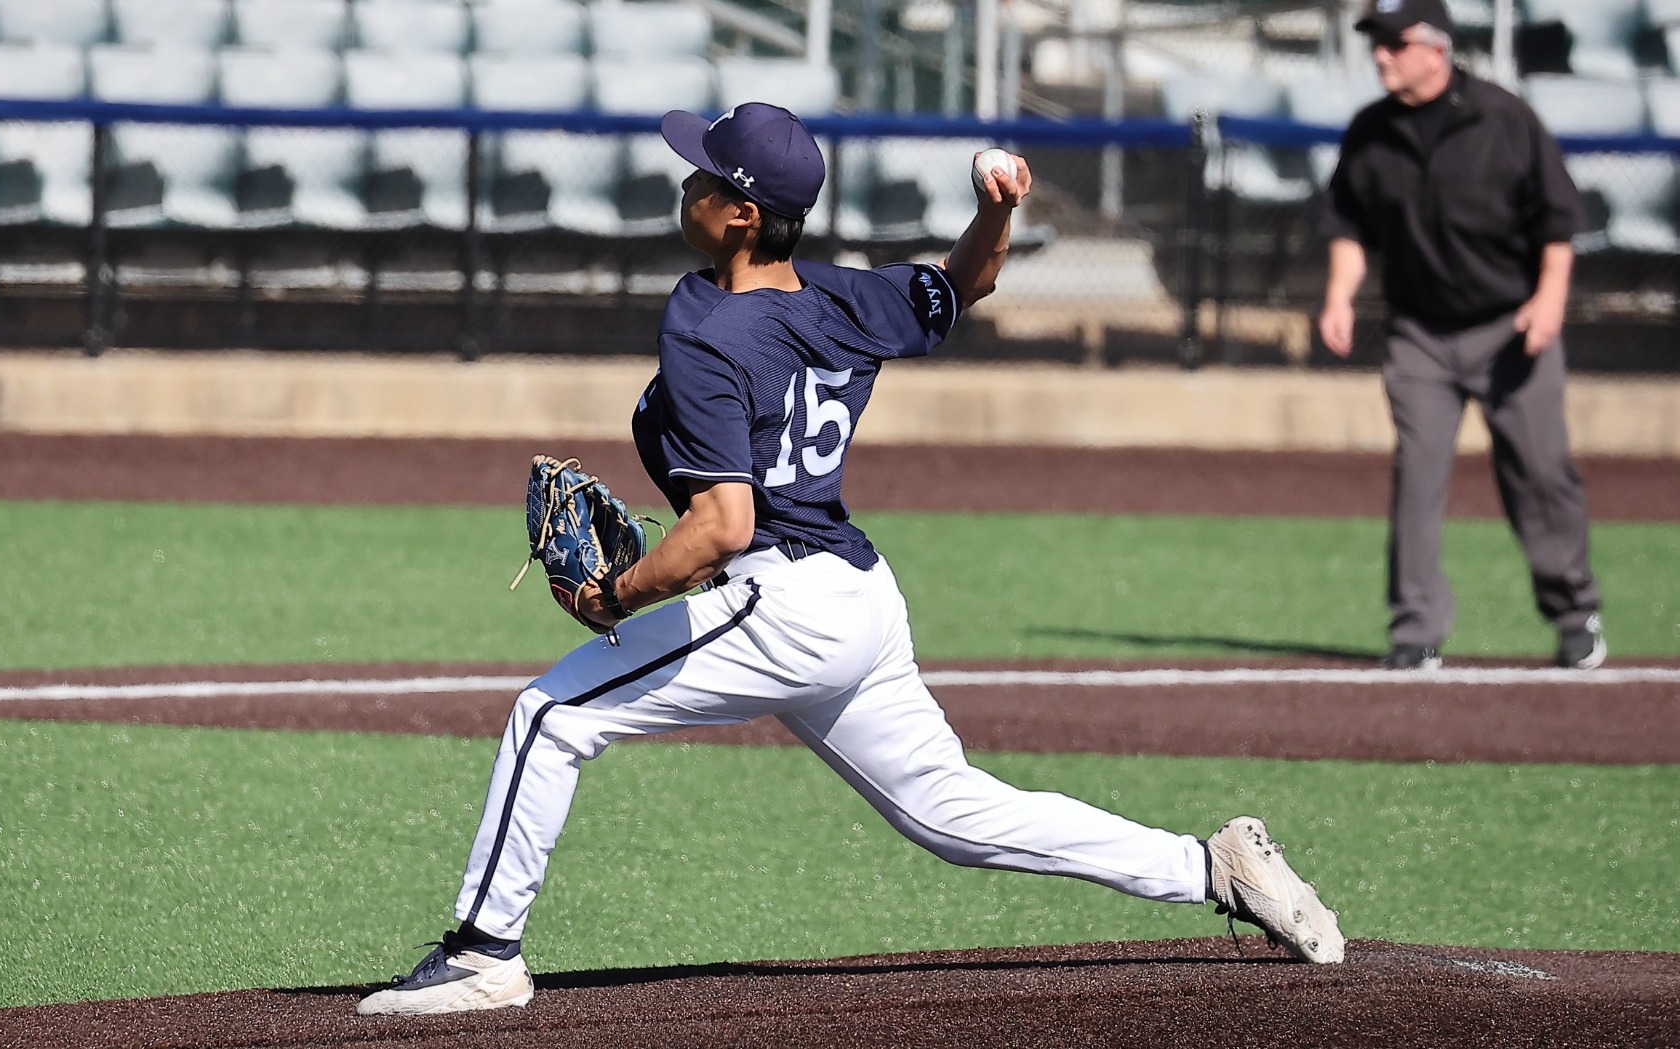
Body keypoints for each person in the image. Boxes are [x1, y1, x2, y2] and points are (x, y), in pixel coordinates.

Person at [356, 102, 1344, 1017]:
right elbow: (964, 284)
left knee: (551, 715)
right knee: (948, 810)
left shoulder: (707, 327)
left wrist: (612, 592)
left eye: (704, 176)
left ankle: (483, 953)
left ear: (742, 214)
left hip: (782, 603)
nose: (687, 184)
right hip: (856, 595)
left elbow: (723, 526)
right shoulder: (839, 294)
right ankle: (1210, 867)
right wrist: (995, 211)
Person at [1318, 0, 1605, 672]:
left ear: (1436, 47)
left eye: (1394, 43)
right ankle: (1416, 628)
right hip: (1420, 335)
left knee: (1539, 474)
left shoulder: (1504, 118)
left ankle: (1574, 615)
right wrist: (1338, 295)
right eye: (1377, 43)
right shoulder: (1372, 130)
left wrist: (1550, 299)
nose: (1381, 55)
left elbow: (1557, 221)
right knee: (1417, 479)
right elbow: (1349, 224)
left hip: (1511, 329)